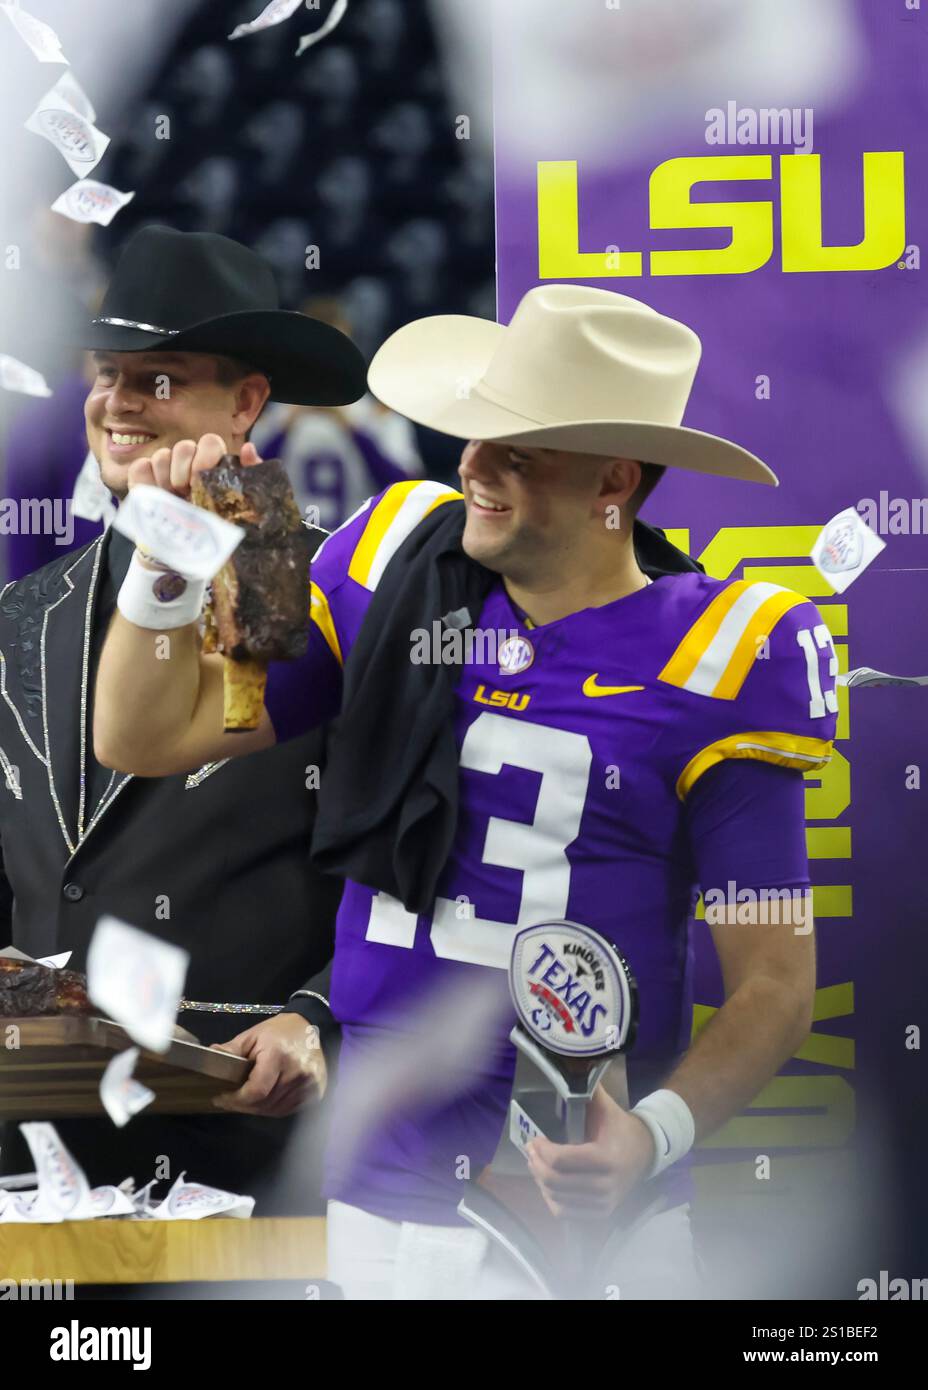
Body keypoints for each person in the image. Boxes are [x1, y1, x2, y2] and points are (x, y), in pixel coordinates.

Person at [91, 284, 838, 1295]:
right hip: (377, 1206)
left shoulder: (727, 651)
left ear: (612, 478)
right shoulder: (394, 554)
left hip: (591, 1226)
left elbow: (774, 984)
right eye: (476, 434)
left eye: (516, 449)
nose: (472, 465)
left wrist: (649, 1138)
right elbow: (140, 735)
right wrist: (167, 559)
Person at [0, 224, 366, 1206]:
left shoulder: (334, 594)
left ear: (246, 402)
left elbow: (416, 854)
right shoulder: (23, 613)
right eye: (105, 372)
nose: (117, 401)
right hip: (36, 1148)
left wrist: (317, 1016)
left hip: (253, 1127)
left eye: (155, 378)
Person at [252, 297, 423, 532]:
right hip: (288, 544)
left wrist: (354, 430)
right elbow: (247, 485)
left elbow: (406, 488)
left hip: (360, 543)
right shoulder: (270, 418)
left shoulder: (379, 416)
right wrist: (285, 429)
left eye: (336, 348)